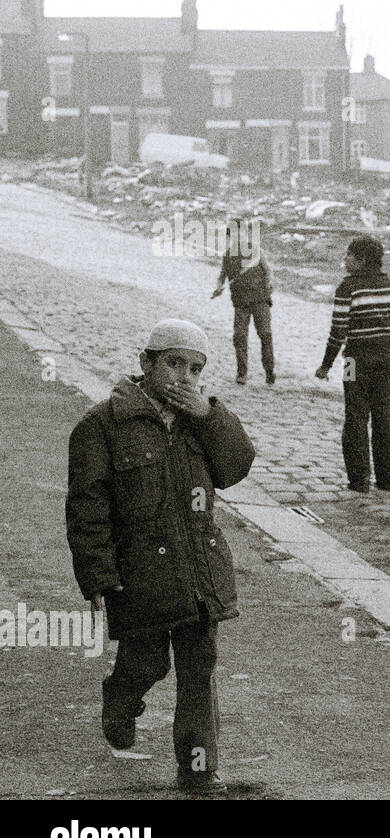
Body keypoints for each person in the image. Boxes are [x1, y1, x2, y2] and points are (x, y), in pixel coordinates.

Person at [65, 319, 256, 795]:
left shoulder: (201, 422)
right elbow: (88, 507)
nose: (184, 377)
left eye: (195, 368)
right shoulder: (101, 426)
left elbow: (236, 467)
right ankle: (121, 698)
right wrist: (98, 576)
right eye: (173, 363)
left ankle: (198, 771)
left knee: (199, 668)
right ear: (145, 363)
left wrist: (212, 414)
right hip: (139, 575)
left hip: (198, 571)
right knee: (147, 662)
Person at [314, 235, 390, 494]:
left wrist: (325, 365)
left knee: (355, 417)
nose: (345, 260)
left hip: (353, 360)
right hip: (384, 361)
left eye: (348, 255)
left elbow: (338, 331)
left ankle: (359, 480)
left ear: (361, 260)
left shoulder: (348, 288)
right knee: (383, 418)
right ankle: (388, 480)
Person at [211, 217, 275, 386]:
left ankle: (269, 372)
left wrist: (269, 284)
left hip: (260, 300)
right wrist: (218, 288)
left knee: (265, 335)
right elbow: (221, 277)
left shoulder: (256, 250)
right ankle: (242, 374)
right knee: (240, 337)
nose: (236, 236)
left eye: (239, 232)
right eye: (232, 233)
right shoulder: (227, 255)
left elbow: (268, 272)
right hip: (240, 302)